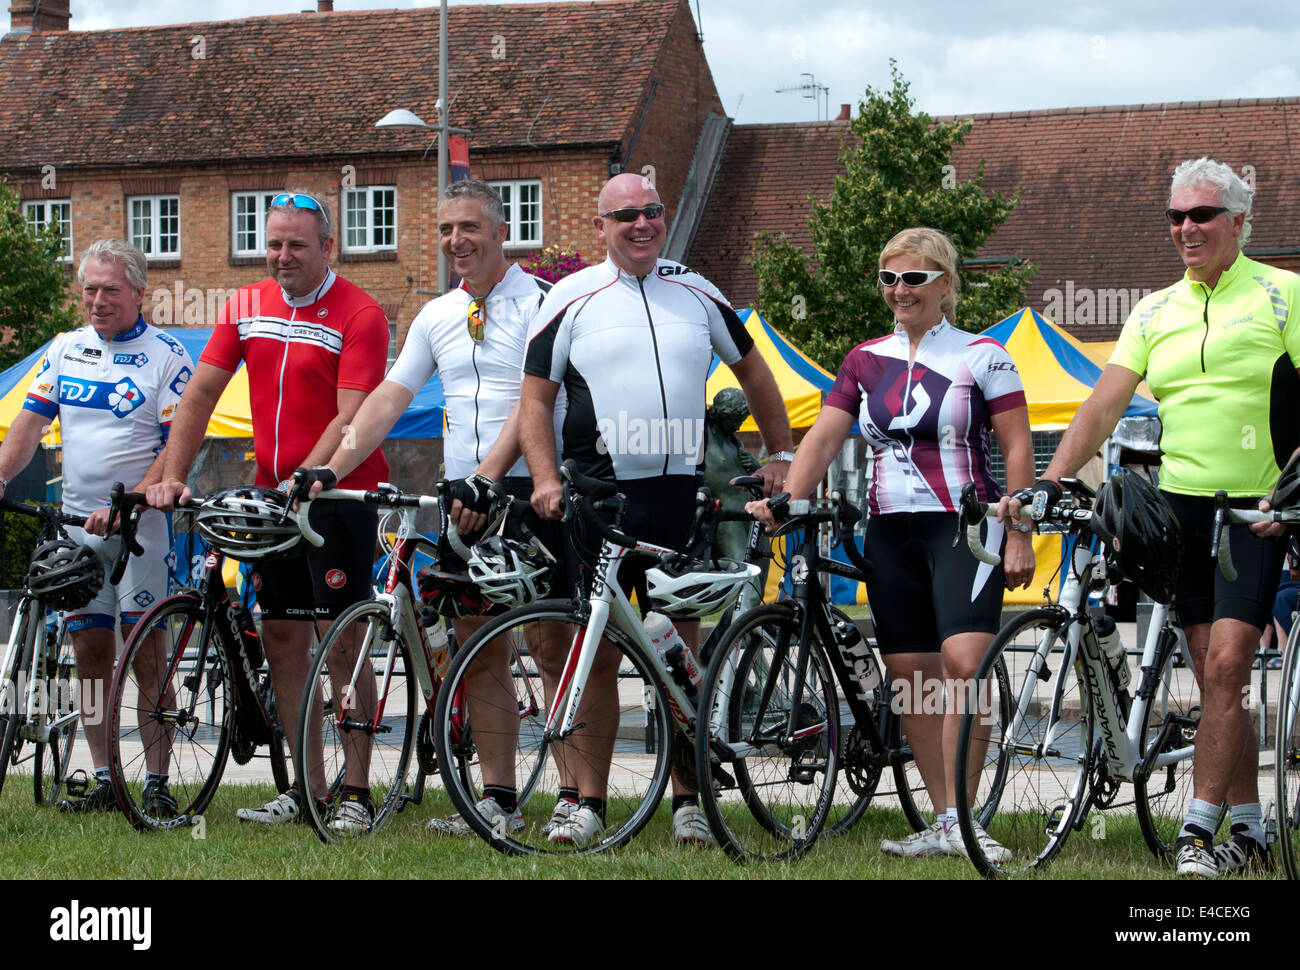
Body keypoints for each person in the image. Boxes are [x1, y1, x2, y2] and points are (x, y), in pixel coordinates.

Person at [1002, 157, 1300, 876]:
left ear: (1237, 222)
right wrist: (1050, 478)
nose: (1187, 228)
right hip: (1179, 514)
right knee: (1213, 678)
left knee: (1229, 664)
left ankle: (1196, 836)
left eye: (1201, 215)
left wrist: (1292, 495)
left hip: (1255, 510)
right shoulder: (1153, 310)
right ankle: (1251, 831)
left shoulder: (1283, 294)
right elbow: (1102, 406)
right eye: (1176, 217)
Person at [519, 172, 795, 846]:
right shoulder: (569, 296)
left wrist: (782, 452)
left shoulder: (697, 290)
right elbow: (533, 399)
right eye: (625, 217)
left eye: (651, 212)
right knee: (600, 655)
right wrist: (546, 477)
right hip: (600, 498)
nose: (641, 225)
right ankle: (589, 802)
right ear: (600, 226)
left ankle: (689, 800)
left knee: (679, 650)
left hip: (678, 496)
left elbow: (755, 372)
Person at [747, 227, 1035, 861]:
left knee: (966, 663)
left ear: (945, 285)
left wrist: (1019, 528)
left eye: (914, 278)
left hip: (965, 526)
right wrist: (787, 498)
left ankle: (968, 815)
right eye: (889, 278)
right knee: (910, 678)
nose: (899, 290)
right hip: (889, 529)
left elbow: (1017, 446)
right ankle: (944, 821)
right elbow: (823, 438)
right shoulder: (864, 359)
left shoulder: (982, 355)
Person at [300, 179, 567, 837]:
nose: (457, 241)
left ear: (503, 232)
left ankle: (575, 799)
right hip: (460, 500)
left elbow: (531, 405)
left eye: (470, 227)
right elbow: (389, 398)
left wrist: (485, 479)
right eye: (447, 229)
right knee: (478, 650)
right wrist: (332, 465)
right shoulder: (437, 313)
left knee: (550, 645)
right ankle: (496, 799)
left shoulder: (543, 303)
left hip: (526, 493)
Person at [147, 191, 390, 833]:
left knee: (343, 642)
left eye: (297, 245)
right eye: (273, 243)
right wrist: (173, 477)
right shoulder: (246, 303)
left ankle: (357, 791)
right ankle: (306, 787)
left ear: (326, 248)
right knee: (282, 637)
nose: (282, 256)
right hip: (270, 498)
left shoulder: (360, 312)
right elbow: (199, 394)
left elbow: (350, 415)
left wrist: (302, 479)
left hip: (337, 498)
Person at [0, 239, 194, 815]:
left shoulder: (168, 355)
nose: (98, 300)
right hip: (77, 526)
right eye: (89, 288)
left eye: (111, 289)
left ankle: (155, 781)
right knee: (89, 652)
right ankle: (106, 776)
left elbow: (174, 445)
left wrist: (134, 499)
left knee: (147, 655)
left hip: (141, 525)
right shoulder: (64, 349)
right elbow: (27, 427)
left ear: (139, 292)